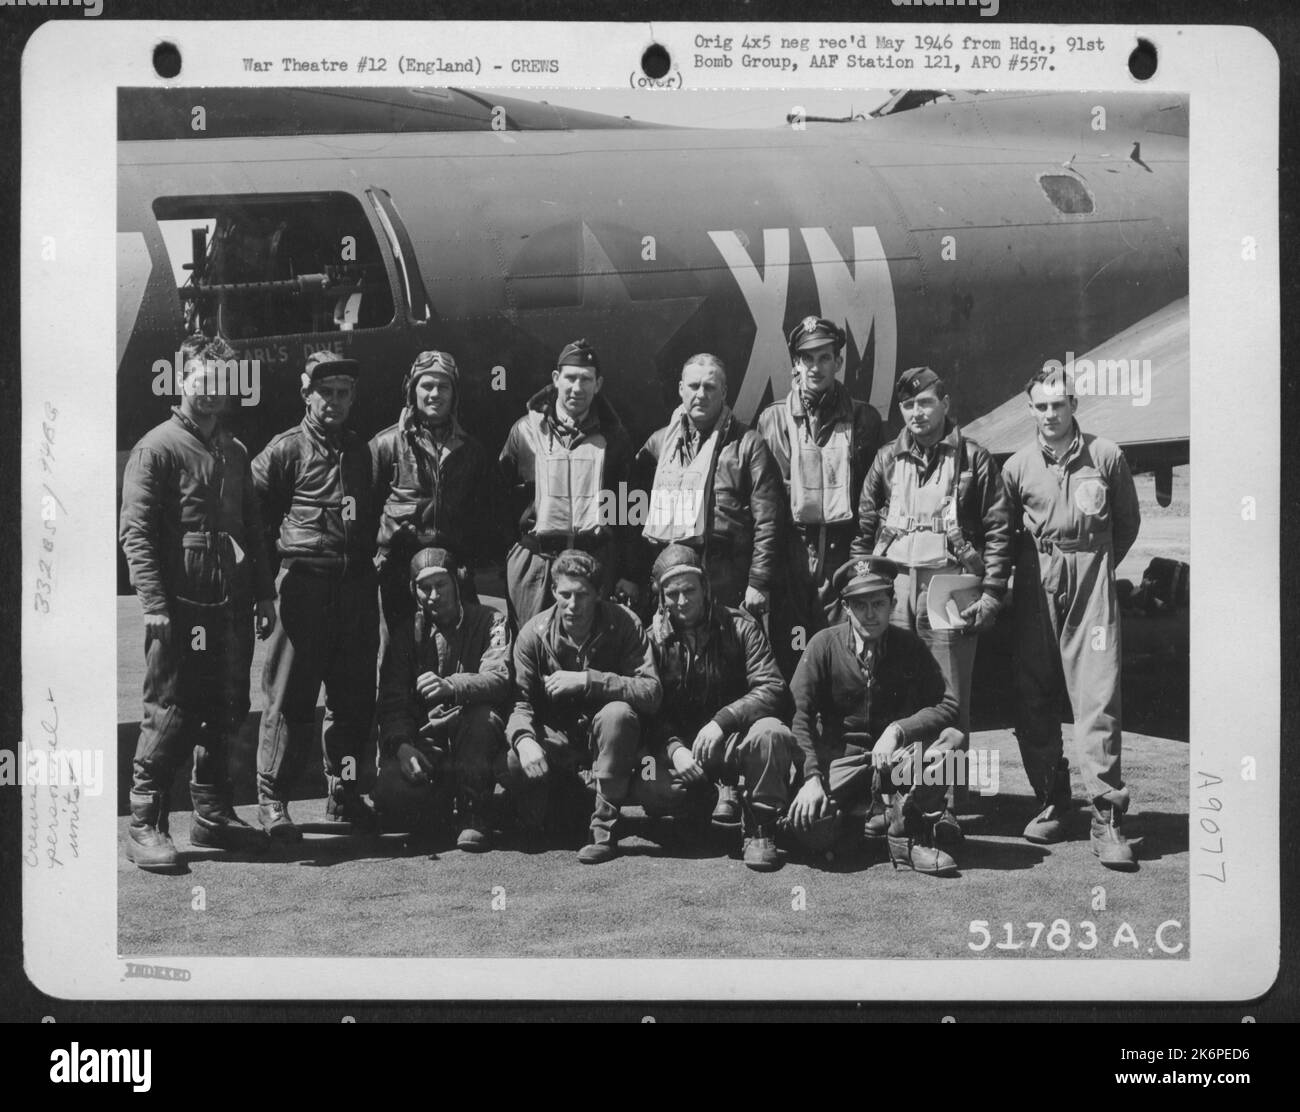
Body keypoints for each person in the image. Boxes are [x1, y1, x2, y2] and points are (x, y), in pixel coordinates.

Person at [119, 332, 277, 872]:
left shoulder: (233, 452)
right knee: (170, 710)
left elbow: (253, 531)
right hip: (181, 607)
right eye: (201, 380)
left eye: (221, 383)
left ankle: (211, 813)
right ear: (183, 380)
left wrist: (263, 594)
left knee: (226, 707)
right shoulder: (156, 447)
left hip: (229, 605)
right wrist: (155, 604)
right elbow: (135, 534)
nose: (211, 392)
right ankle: (145, 822)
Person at [849, 366, 1012, 843]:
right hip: (895, 583)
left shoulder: (974, 458)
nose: (916, 414)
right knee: (889, 687)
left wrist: (992, 592)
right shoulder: (885, 459)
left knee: (949, 695)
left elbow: (999, 531)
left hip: (949, 585)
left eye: (925, 404)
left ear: (944, 404)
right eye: (907, 406)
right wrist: (864, 595)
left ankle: (946, 805)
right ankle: (890, 796)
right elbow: (864, 533)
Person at [1001, 367, 1142, 870]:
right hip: (1036, 580)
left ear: (1074, 405)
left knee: (1098, 696)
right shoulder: (1016, 467)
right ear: (1031, 409)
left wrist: (1095, 569)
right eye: (1041, 406)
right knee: (1032, 692)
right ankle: (1052, 798)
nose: (1050, 414)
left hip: (1091, 582)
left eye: (1058, 405)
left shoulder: (1105, 456)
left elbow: (1126, 523)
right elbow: (1006, 532)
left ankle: (1107, 817)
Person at [633, 353, 782, 824]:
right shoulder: (660, 444)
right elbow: (640, 516)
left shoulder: (747, 445)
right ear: (680, 390)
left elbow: (768, 520)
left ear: (725, 395)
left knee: (730, 675)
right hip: (677, 580)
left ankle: (735, 785)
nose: (700, 395)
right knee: (680, 678)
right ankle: (691, 769)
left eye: (711, 388)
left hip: (727, 578)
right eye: (693, 386)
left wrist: (758, 582)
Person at [250, 350, 379, 841]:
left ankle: (344, 794)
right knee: (289, 698)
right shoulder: (284, 450)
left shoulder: (360, 451)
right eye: (326, 392)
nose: (335, 402)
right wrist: (264, 586)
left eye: (344, 393)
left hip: (353, 591)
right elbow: (251, 515)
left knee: (352, 700)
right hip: (302, 586)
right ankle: (272, 800)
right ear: (307, 394)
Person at [786, 557, 962, 876]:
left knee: (952, 744)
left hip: (893, 761)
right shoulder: (823, 645)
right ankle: (869, 814)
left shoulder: (908, 645)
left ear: (892, 603)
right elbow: (798, 714)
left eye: (878, 603)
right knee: (813, 831)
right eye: (860, 605)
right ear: (846, 607)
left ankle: (908, 832)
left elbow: (948, 704)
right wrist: (811, 778)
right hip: (842, 763)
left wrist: (898, 730)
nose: (870, 614)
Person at [503, 550, 662, 864]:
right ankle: (561, 804)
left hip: (607, 743)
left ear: (598, 594)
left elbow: (651, 691)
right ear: (552, 592)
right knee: (511, 760)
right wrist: (524, 740)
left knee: (617, 715)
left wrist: (589, 680)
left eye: (582, 595)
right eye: (565, 595)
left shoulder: (624, 623)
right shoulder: (533, 635)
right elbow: (518, 703)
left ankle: (603, 827)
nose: (572, 605)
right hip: (560, 744)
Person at [643, 545, 795, 871]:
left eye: (689, 590)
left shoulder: (740, 626)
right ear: (660, 598)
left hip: (733, 740)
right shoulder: (651, 641)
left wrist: (723, 721)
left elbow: (772, 687)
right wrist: (674, 749)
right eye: (672, 594)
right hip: (686, 748)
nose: (682, 601)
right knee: (650, 784)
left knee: (772, 733)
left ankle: (760, 826)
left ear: (705, 588)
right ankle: (702, 801)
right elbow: (648, 707)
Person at [758, 317, 884, 677]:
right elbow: (764, 502)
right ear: (795, 364)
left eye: (825, 357)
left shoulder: (864, 419)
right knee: (794, 654)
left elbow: (872, 497)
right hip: (792, 562)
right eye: (807, 358)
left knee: (842, 655)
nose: (815, 367)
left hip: (841, 560)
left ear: (838, 362)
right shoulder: (772, 421)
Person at [370, 350, 505, 663]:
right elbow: (363, 509)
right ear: (412, 390)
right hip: (399, 573)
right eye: (426, 385)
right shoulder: (385, 445)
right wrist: (378, 560)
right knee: (397, 655)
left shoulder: (471, 451)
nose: (434, 394)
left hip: (452, 572)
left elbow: (484, 514)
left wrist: (468, 561)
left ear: (454, 394)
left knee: (459, 653)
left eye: (443, 387)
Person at [374, 547, 511, 851]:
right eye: (424, 587)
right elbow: (392, 699)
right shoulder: (405, 634)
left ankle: (474, 812)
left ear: (457, 582)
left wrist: (452, 686)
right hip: (429, 740)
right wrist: (402, 745)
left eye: (441, 584)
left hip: (475, 734)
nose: (433, 595)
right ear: (414, 591)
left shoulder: (493, 621)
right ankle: (440, 805)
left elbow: (499, 677)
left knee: (483, 718)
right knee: (388, 794)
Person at [499, 339, 639, 628]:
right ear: (556, 379)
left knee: (590, 652)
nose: (577, 387)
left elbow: (628, 512)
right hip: (537, 564)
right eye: (571, 378)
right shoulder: (524, 432)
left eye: (586, 379)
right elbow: (499, 500)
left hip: (593, 562)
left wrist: (628, 571)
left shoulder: (615, 438)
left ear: (598, 384)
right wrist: (515, 557)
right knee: (531, 648)